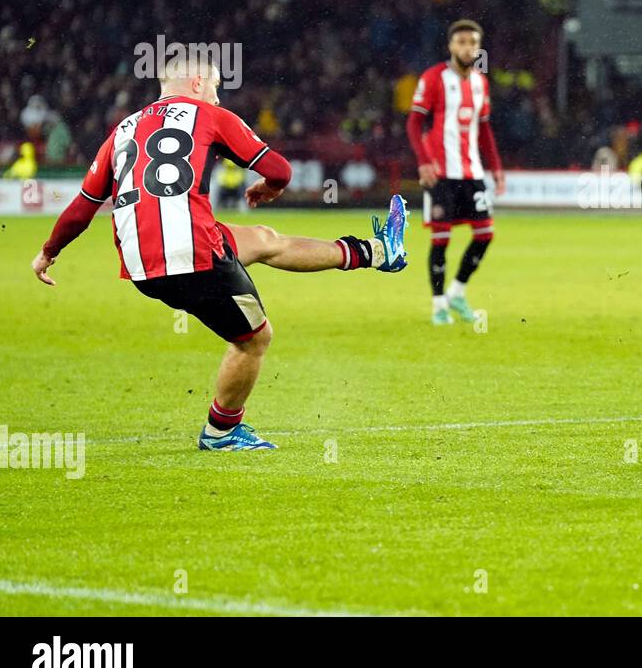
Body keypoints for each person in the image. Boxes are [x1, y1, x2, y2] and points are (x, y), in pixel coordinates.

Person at [31, 57, 409, 451]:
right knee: (255, 339)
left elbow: (81, 207)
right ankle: (221, 431)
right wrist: (270, 188)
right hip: (193, 254)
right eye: (214, 84)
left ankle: (378, 252)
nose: (217, 92)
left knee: (263, 239)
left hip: (143, 262)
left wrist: (47, 252)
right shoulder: (209, 114)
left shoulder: (123, 130)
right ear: (196, 81)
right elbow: (279, 169)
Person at [406, 19, 505, 325]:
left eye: (473, 43)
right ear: (451, 46)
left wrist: (496, 169)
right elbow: (413, 123)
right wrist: (423, 161)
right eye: (462, 42)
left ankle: (457, 292)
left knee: (485, 234)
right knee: (441, 239)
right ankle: (438, 305)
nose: (468, 48)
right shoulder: (434, 78)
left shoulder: (480, 83)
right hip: (441, 172)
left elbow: (484, 130)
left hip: (471, 172)